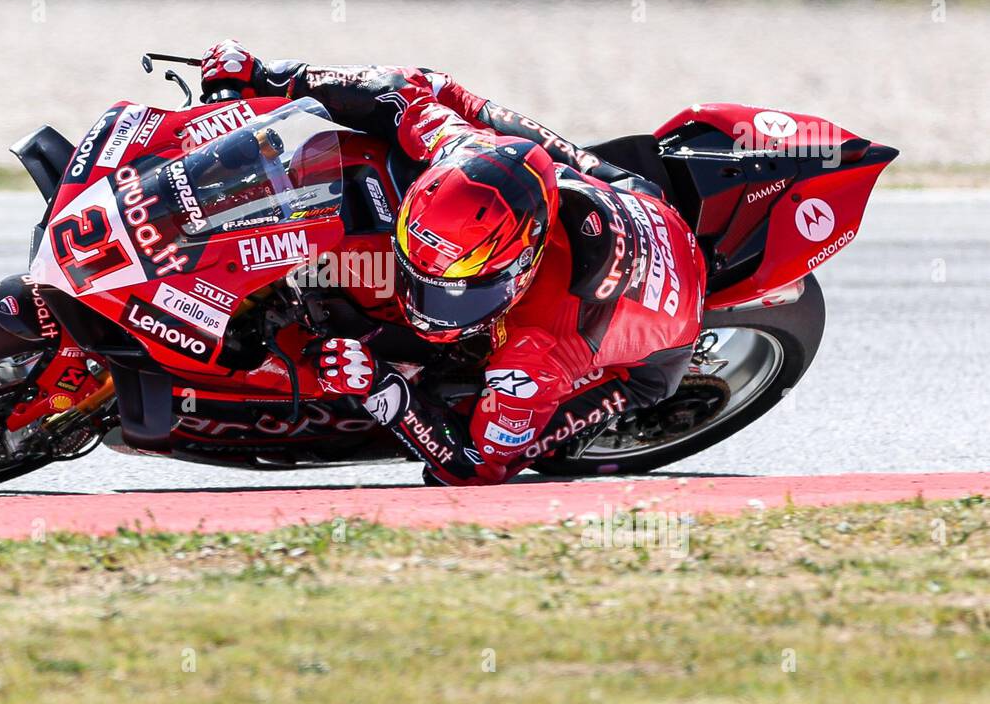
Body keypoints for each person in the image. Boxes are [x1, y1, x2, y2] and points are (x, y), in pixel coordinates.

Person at [199, 40, 708, 486]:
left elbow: (474, 466)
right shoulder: (457, 148)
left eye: (447, 287)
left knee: (515, 441)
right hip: (633, 196)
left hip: (649, 356)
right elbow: (402, 88)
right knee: (441, 104)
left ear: (519, 267)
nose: (423, 303)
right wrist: (268, 76)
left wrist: (382, 386)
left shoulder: (536, 349)